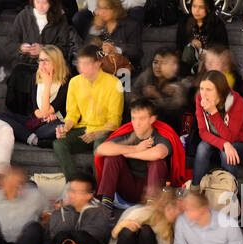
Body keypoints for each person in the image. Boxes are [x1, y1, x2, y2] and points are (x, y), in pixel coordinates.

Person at [53, 46, 124, 181]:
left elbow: (115, 121)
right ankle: (75, 184)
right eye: (79, 64)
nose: (81, 68)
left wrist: (97, 133)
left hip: (105, 131)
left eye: (86, 64)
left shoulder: (114, 83)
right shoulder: (74, 82)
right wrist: (66, 127)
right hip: (83, 129)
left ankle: (97, 190)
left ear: (98, 63)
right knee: (59, 143)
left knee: (99, 146)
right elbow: (72, 113)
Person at [93, 99, 177, 209]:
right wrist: (136, 148)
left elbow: (159, 153)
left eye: (142, 119)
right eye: (133, 118)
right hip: (127, 187)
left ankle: (151, 208)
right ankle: (106, 204)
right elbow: (100, 149)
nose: (136, 124)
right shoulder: (128, 134)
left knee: (157, 162)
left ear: (152, 119)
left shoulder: (160, 135)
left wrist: (128, 153)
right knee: (111, 157)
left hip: (151, 189)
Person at [192, 70, 243, 183]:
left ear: (220, 90)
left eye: (209, 89)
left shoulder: (237, 102)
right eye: (201, 88)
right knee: (203, 147)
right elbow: (202, 132)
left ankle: (230, 194)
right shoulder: (200, 99)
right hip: (221, 143)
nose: (204, 94)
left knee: (226, 153)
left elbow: (230, 137)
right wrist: (223, 144)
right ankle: (195, 190)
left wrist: (213, 112)